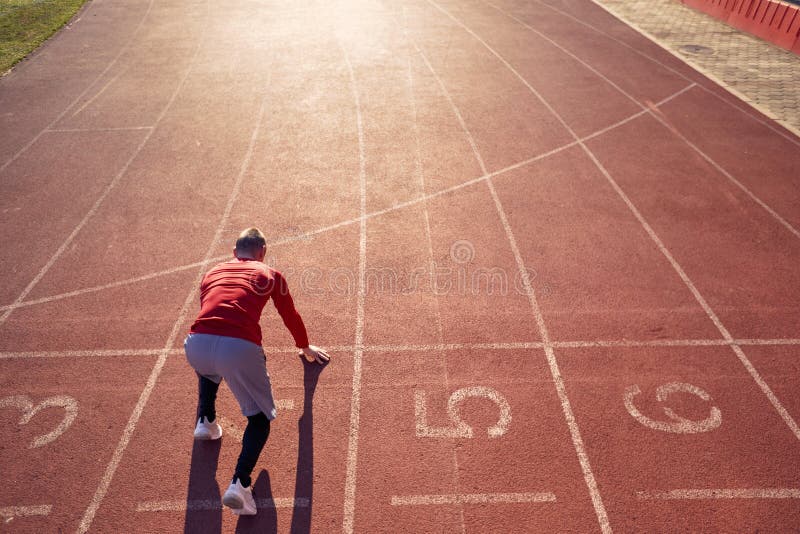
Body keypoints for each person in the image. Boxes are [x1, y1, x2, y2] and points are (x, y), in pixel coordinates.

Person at [183, 227, 330, 516]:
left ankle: (206, 420)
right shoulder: (271, 275)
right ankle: (240, 483)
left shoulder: (212, 272)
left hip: (195, 344)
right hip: (239, 347)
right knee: (259, 420)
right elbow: (290, 314)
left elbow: (212, 315)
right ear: (262, 251)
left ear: (234, 252)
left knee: (210, 367)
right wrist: (304, 346)